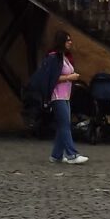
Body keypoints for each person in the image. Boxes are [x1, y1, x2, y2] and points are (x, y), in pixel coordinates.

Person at [41, 30, 90, 164]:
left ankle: (56, 155)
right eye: (67, 40)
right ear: (61, 41)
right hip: (57, 96)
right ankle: (72, 154)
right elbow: (51, 78)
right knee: (65, 125)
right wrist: (70, 77)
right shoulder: (53, 57)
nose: (70, 42)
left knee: (63, 125)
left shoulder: (64, 57)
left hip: (66, 95)